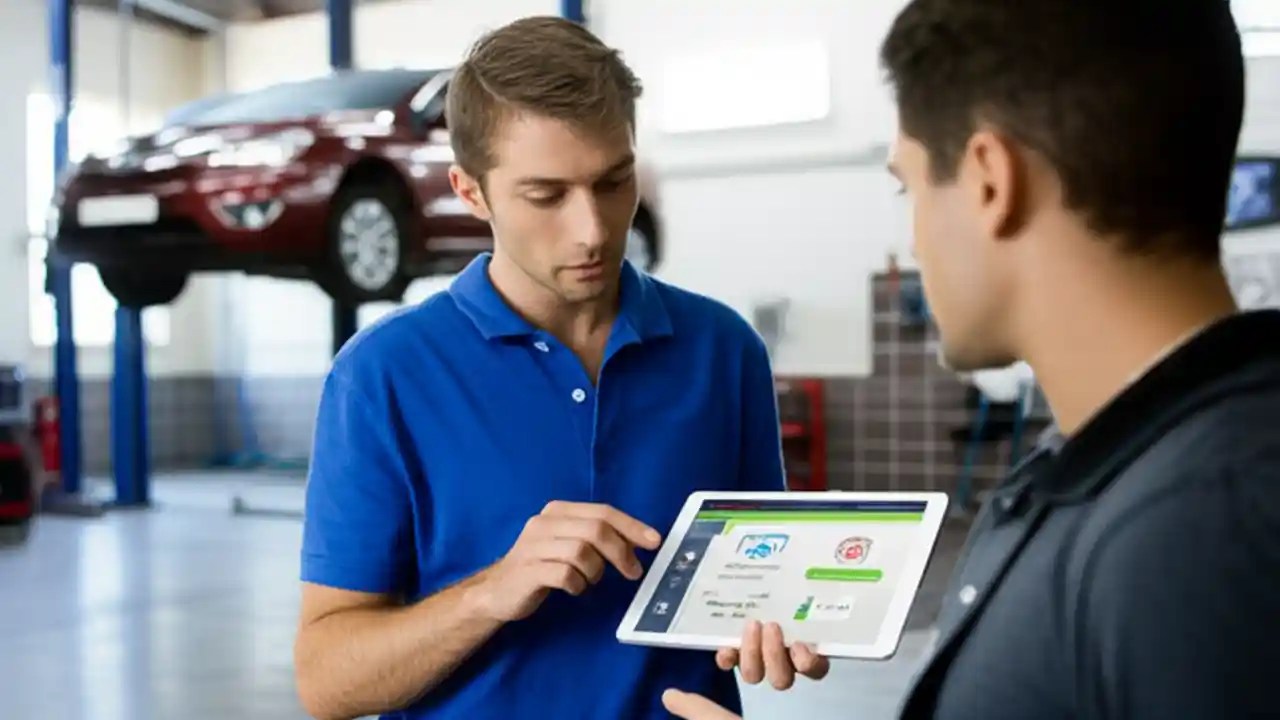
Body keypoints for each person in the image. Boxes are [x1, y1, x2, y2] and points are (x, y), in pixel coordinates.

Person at [663, 0, 1280, 718]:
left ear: (991, 180)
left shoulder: (1201, 534)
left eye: (910, 187)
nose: (915, 239)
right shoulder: (1119, 471)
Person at [291, 16, 827, 720]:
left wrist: (782, 625)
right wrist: (491, 593)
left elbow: (763, 588)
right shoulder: (382, 376)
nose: (593, 230)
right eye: (546, 196)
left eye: (613, 182)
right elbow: (326, 682)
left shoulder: (724, 351)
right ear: (470, 190)